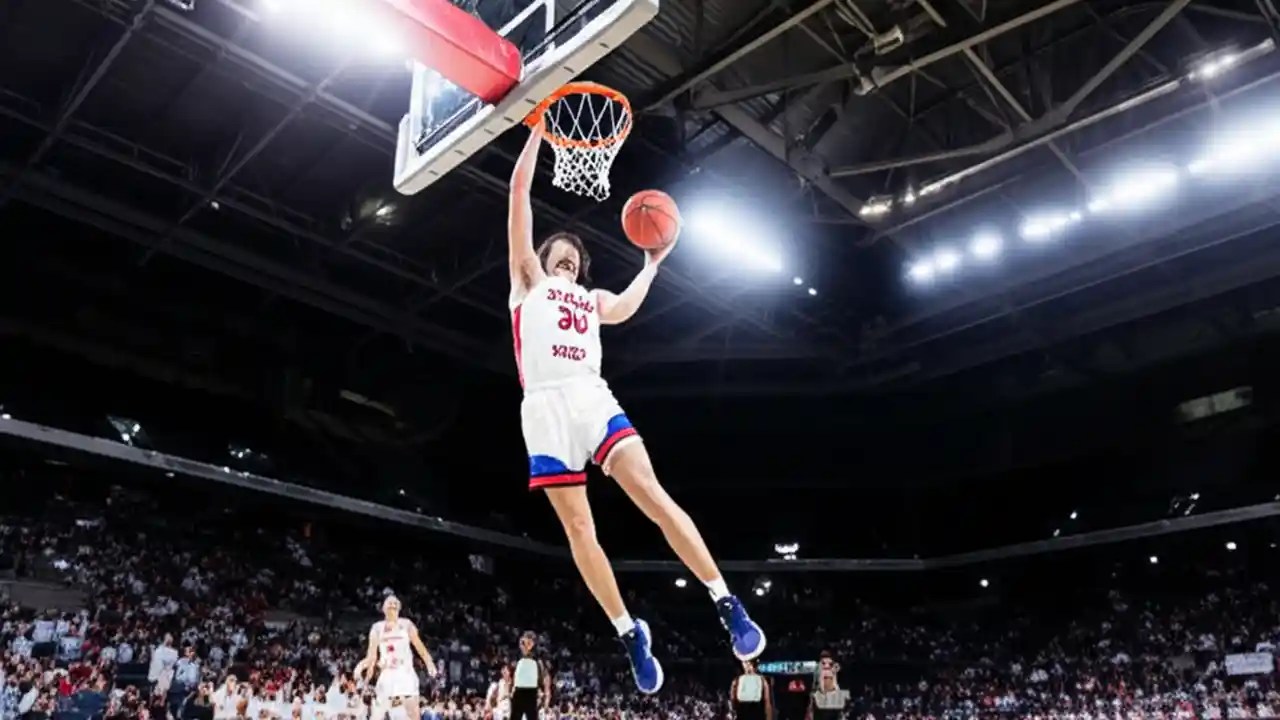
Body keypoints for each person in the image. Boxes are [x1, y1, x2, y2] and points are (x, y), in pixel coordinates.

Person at [506, 121, 766, 694]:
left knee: (652, 494)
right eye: (561, 254)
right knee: (579, 527)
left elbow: (622, 308)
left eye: (575, 258)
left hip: (588, 393)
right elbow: (519, 194)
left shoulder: (591, 299)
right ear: (543, 259)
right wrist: (537, 133)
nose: (568, 260)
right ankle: (629, 633)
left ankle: (727, 603)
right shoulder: (526, 283)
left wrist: (652, 263)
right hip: (544, 410)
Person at [358, 596, 438, 720]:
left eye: (395, 603)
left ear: (399, 608)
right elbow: (371, 655)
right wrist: (365, 669)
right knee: (377, 714)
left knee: (413, 713)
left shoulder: (406, 624)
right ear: (383, 608)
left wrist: (429, 662)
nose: (392, 605)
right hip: (387, 673)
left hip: (405, 672)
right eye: (389, 603)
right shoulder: (377, 627)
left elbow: (419, 645)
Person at [509, 633, 549, 720]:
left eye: (528, 642)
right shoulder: (518, 657)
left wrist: (546, 694)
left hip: (531, 691)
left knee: (532, 716)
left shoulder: (538, 658)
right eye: (523, 642)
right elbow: (516, 674)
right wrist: (512, 687)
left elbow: (545, 676)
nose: (524, 645)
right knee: (515, 716)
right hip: (518, 690)